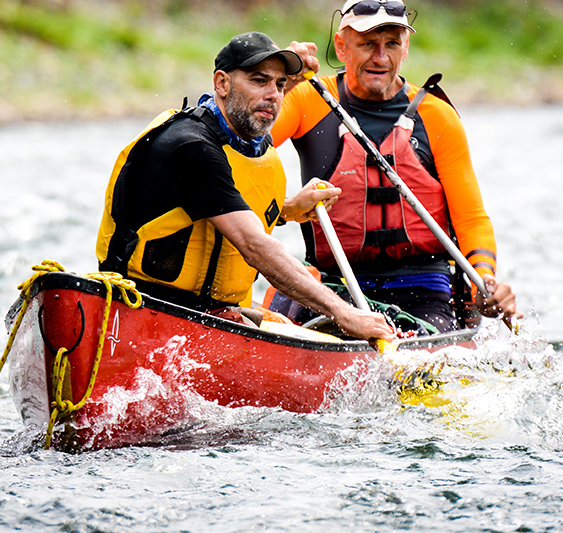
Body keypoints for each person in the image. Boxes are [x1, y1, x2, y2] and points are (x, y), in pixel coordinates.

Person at [95, 31, 394, 342]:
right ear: (222, 84)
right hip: (145, 310)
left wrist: (288, 210)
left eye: (280, 85)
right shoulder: (190, 146)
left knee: (308, 331)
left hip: (211, 313)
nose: (274, 95)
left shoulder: (247, 140)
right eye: (259, 80)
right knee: (333, 324)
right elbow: (254, 245)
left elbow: (217, 207)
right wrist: (345, 313)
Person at [270, 0, 522, 333]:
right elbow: (242, 148)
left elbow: (472, 219)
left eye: (392, 43)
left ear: (406, 48)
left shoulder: (437, 117)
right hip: (332, 285)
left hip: (422, 287)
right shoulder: (306, 100)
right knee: (278, 320)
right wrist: (279, 82)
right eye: (367, 44)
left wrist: (486, 282)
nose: (381, 57)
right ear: (341, 47)